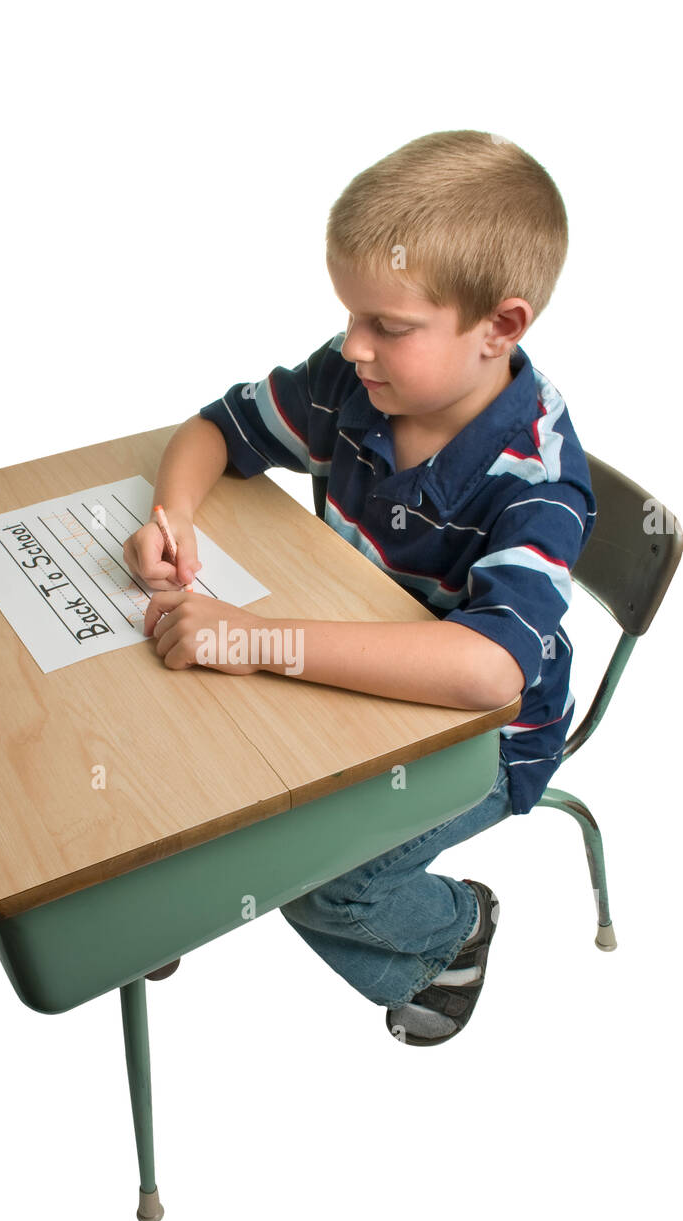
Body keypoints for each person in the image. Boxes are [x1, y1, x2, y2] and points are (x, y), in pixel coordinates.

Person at [123, 130, 597, 1046]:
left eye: (388, 325)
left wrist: (250, 639)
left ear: (500, 327)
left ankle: (453, 931)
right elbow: (217, 429)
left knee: (324, 873)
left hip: (489, 740)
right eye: (350, 316)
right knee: (175, 725)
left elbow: (490, 674)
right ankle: (181, 893)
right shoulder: (355, 382)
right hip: (352, 662)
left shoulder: (537, 482)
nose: (353, 345)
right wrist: (173, 518)